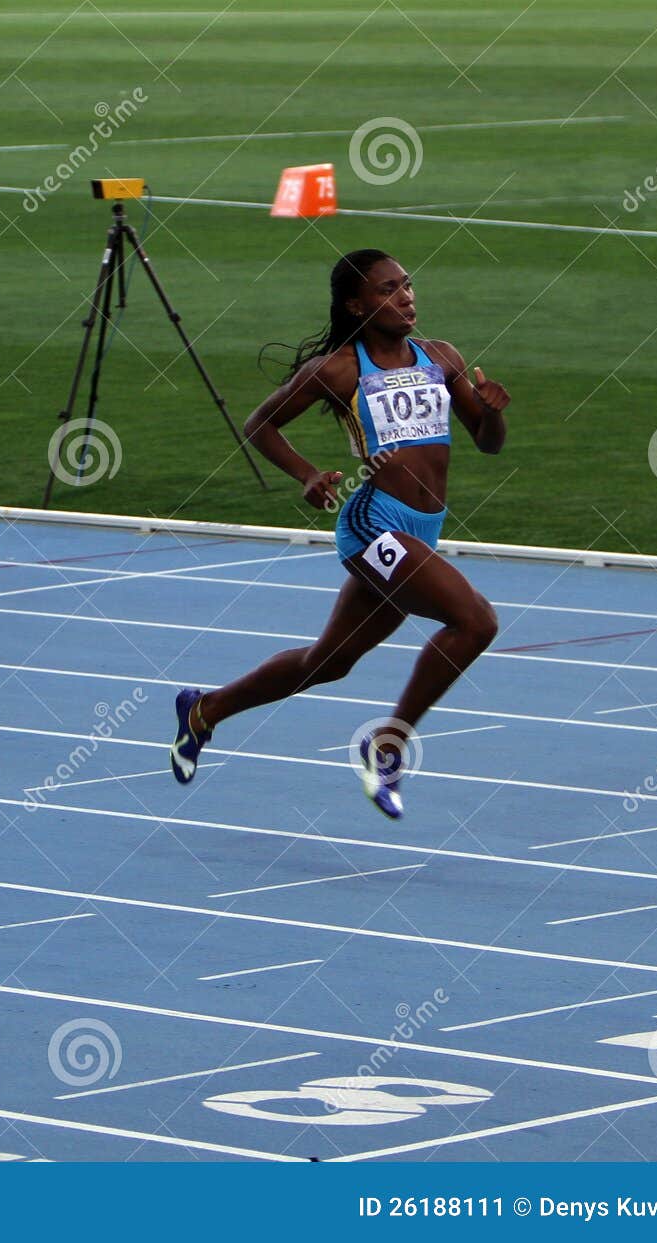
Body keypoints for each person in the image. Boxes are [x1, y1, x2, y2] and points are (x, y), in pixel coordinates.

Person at [169, 250, 509, 818]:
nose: (405, 298)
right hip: (372, 524)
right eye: (387, 289)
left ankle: (205, 710)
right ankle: (388, 745)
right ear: (356, 305)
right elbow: (259, 423)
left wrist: (493, 411)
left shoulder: (441, 357)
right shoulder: (339, 371)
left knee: (327, 663)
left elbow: (489, 442)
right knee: (476, 621)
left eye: (407, 285)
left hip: (421, 529)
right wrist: (307, 474)